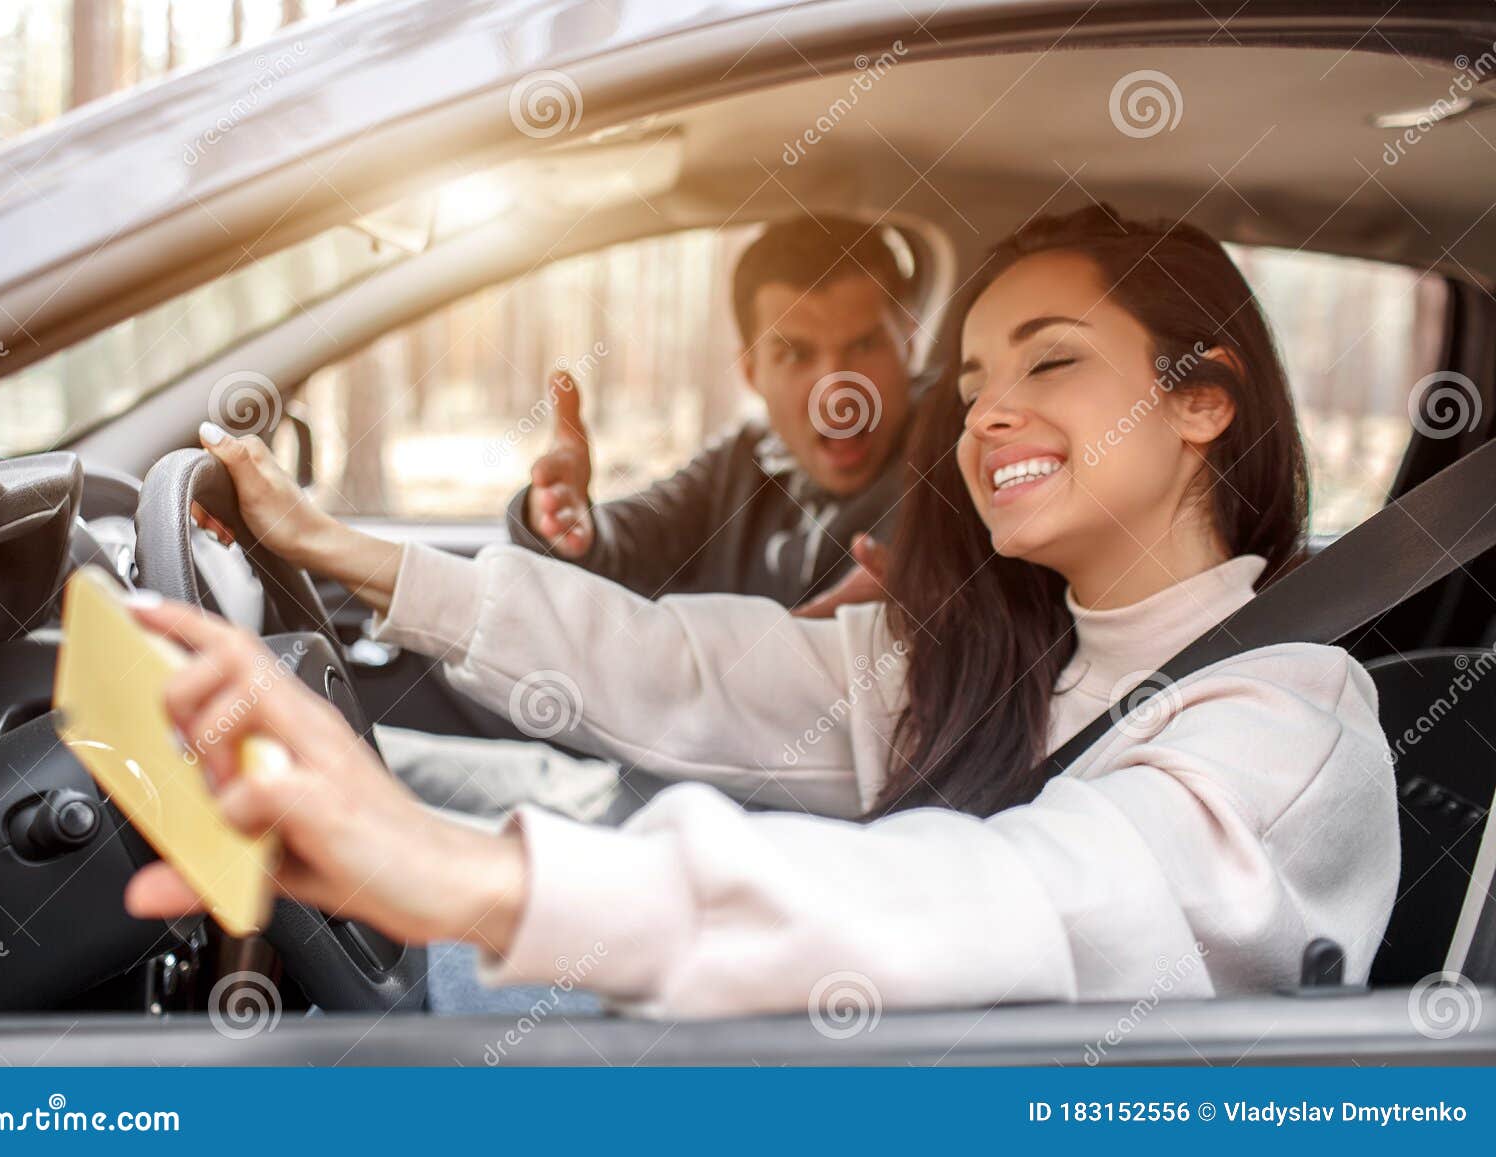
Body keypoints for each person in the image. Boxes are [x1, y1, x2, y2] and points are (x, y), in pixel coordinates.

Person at [138, 206, 1399, 1018]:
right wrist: (339, 548)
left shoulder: (1289, 723)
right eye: (970, 383)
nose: (988, 414)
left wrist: (478, 878)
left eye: (1050, 360)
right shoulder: (996, 656)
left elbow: (1017, 895)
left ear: (1201, 401)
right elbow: (676, 662)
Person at [509, 214, 919, 614]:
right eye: (795, 355)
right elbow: (626, 545)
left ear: (910, 344)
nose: (837, 397)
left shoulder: (951, 476)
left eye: (866, 347)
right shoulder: (743, 461)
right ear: (751, 372)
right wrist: (562, 524)